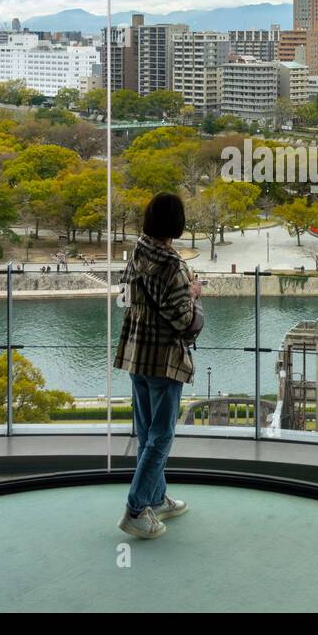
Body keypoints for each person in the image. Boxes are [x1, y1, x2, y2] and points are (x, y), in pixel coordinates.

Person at [114, 192, 204, 540]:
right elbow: (183, 322)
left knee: (147, 432)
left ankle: (154, 497)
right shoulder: (173, 265)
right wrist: (193, 293)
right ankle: (136, 509)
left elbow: (126, 295)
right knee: (161, 435)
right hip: (164, 359)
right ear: (177, 224)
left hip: (137, 353)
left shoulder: (137, 253)